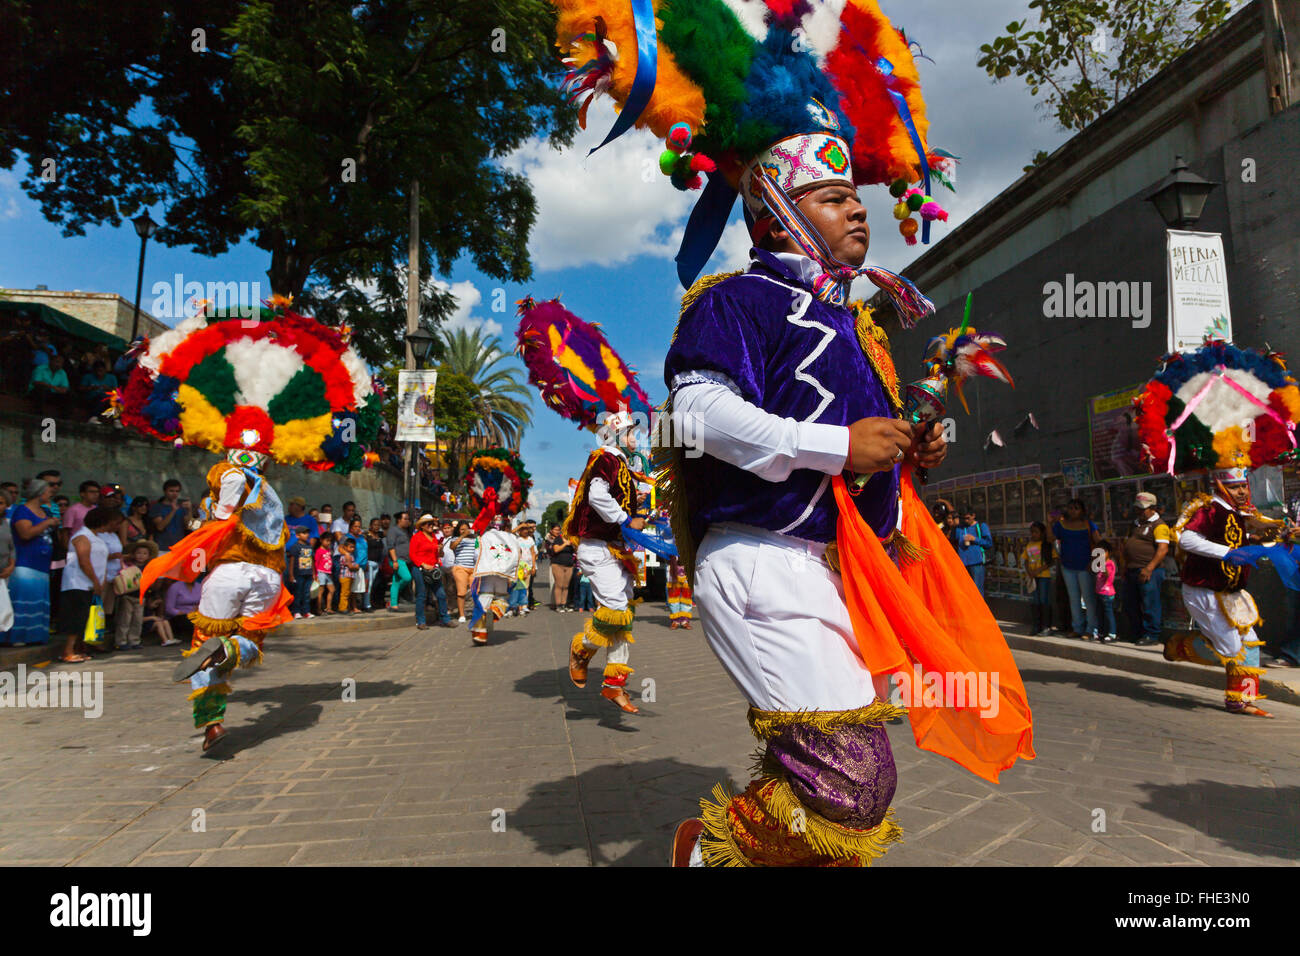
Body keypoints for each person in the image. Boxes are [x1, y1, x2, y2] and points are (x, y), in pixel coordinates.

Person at [1165, 468, 1276, 717]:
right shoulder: (1210, 509)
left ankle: (1242, 701)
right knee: (1230, 649)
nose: (1242, 492)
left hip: (1231, 591)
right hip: (1204, 590)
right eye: (1236, 487)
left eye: (1244, 486)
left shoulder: (1236, 512)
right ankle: (1180, 646)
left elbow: (1232, 537)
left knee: (1250, 644)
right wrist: (1227, 553)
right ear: (1221, 487)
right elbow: (1187, 540)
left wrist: (1256, 537)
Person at [564, 410, 646, 714]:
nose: (636, 439)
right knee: (614, 610)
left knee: (623, 614)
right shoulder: (606, 458)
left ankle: (614, 684)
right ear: (615, 435)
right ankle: (581, 648)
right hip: (597, 548)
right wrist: (625, 518)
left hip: (614, 550)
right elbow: (597, 496)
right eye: (631, 433)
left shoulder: (623, 466)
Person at [4, 477, 59, 647]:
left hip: (42, 564)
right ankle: (17, 636)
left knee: (38, 600)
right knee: (23, 600)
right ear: (40, 492)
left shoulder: (46, 511)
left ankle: (34, 635)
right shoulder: (23, 511)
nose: (50, 494)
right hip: (25, 563)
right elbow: (25, 533)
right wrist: (47, 523)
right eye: (48, 492)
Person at [59, 506, 117, 663]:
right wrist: (96, 581)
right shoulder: (82, 537)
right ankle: (68, 651)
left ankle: (79, 648)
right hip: (77, 583)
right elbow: (84, 561)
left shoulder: (96, 538)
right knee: (76, 617)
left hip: (90, 584)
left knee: (84, 617)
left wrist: (100, 581)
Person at [1118, 491, 1172, 646]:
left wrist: (1149, 568)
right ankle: (1136, 633)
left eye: (1143, 509)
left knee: (1150, 603)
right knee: (1130, 603)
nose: (1139, 512)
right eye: (1138, 508)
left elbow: (1163, 549)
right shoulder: (1135, 524)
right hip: (1132, 569)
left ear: (1152, 508)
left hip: (1150, 570)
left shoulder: (1159, 525)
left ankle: (1151, 635)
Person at [1048, 499, 1101, 639]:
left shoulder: (1089, 525)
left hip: (1085, 567)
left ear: (1082, 510)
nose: (1073, 510)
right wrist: (1050, 523)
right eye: (1070, 508)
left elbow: (1100, 543)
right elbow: (1050, 538)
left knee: (1089, 599)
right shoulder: (1061, 525)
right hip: (1067, 566)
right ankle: (1077, 627)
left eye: (1076, 508)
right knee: (1074, 598)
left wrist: (1096, 564)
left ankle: (1092, 629)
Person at [467, 519, 519, 645]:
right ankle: (491, 616)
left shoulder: (484, 537)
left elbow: (476, 554)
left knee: (485, 598)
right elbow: (516, 554)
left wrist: (486, 562)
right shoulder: (511, 538)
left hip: (487, 572)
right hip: (502, 573)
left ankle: (480, 633)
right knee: (501, 599)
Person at [113, 539, 158, 650]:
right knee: (125, 619)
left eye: (144, 554)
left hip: (141, 597)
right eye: (138, 553)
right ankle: (121, 641)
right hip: (128, 596)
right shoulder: (128, 566)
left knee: (137, 620)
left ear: (148, 556)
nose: (141, 556)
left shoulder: (149, 568)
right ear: (133, 554)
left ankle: (134, 640)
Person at [406, 514, 442, 630]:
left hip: (433, 569)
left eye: (432, 523)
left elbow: (438, 555)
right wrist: (423, 564)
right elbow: (412, 554)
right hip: (420, 569)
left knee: (441, 594)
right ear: (422, 526)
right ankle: (421, 621)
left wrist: (440, 552)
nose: (431, 525)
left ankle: (445, 618)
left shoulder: (434, 538)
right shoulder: (416, 537)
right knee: (421, 595)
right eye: (428, 523)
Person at [1019, 523, 1055, 636]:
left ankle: (1046, 626)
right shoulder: (1029, 545)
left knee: (1044, 600)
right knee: (1035, 600)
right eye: (1032, 532)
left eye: (1036, 532)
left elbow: (1051, 561)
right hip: (1033, 577)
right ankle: (1036, 625)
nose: (1033, 534)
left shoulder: (1046, 545)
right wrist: (1029, 571)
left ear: (1042, 533)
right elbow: (1025, 559)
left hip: (1043, 576)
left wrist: (1038, 570)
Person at [951, 510, 993, 596]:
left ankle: (979, 608)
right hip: (963, 563)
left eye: (968, 518)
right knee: (965, 590)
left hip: (977, 562)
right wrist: (954, 525)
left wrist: (975, 539)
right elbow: (952, 538)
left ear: (973, 515)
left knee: (977, 589)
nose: (966, 520)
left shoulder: (981, 526)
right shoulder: (960, 528)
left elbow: (989, 543)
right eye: (964, 518)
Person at [149, 480, 192, 552]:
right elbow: (160, 527)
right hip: (162, 547)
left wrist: (189, 510)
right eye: (171, 491)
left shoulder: (182, 507)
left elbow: (189, 526)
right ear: (165, 491)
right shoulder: (157, 507)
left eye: (177, 491)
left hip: (179, 547)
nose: (174, 494)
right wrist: (173, 511)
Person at [385, 511, 415, 611]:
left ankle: (393, 604)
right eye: (405, 519)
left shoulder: (406, 531)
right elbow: (391, 546)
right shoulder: (393, 531)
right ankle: (396, 595)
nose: (407, 521)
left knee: (396, 581)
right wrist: (394, 561)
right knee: (407, 578)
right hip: (397, 559)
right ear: (399, 520)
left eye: (408, 519)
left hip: (405, 560)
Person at [450, 521, 478, 621]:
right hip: (460, 567)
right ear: (458, 530)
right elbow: (452, 546)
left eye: (466, 529)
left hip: (473, 568)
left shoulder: (475, 539)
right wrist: (462, 536)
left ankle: (476, 612)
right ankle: (461, 614)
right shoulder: (455, 539)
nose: (464, 531)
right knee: (461, 592)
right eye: (462, 529)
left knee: (475, 591)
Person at [286, 525, 315, 619]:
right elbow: (292, 561)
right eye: (304, 533)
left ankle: (306, 611)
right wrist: (291, 574)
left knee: (306, 593)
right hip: (298, 574)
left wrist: (314, 573)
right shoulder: (295, 547)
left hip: (308, 573)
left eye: (307, 533)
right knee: (297, 593)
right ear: (298, 535)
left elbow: (312, 560)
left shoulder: (309, 546)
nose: (307, 535)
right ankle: (296, 611)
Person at [1093, 540, 1118, 642]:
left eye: (1103, 552)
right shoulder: (1099, 564)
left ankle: (1112, 633)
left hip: (1107, 593)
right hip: (1099, 593)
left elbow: (1108, 576)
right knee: (1100, 613)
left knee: (1109, 614)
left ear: (1109, 553)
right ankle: (1101, 632)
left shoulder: (1110, 564)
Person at [547, 525, 575, 612]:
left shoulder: (571, 540)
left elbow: (575, 551)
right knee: (559, 585)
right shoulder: (558, 539)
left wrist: (573, 545)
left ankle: (564, 604)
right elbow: (556, 550)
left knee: (566, 586)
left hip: (569, 565)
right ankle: (558, 605)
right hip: (558, 564)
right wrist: (565, 544)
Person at [346, 517, 371, 612]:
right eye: (355, 526)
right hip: (354, 566)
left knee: (360, 588)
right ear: (351, 527)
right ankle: (352, 607)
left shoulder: (362, 538)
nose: (357, 528)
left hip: (363, 565)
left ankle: (356, 605)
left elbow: (365, 551)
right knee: (353, 588)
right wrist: (351, 564)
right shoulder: (348, 537)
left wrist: (366, 563)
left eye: (359, 526)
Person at [667, 557, 693, 629]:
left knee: (686, 599)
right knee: (673, 600)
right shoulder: (670, 547)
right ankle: (675, 621)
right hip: (673, 575)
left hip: (687, 574)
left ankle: (685, 621)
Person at [314, 531, 336, 615]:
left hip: (328, 573)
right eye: (327, 540)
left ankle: (328, 608)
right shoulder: (319, 551)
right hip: (321, 573)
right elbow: (316, 563)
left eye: (330, 541)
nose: (329, 542)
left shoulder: (328, 550)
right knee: (320, 591)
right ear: (321, 540)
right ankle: (318, 609)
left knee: (332, 589)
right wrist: (316, 575)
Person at [337, 536, 359, 613]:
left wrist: (355, 566)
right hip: (345, 576)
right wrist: (356, 567)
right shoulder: (345, 556)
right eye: (351, 547)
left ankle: (347, 607)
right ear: (345, 547)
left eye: (353, 547)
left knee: (348, 592)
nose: (352, 549)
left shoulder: (351, 555)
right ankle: (342, 608)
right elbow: (350, 566)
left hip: (350, 576)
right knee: (344, 593)